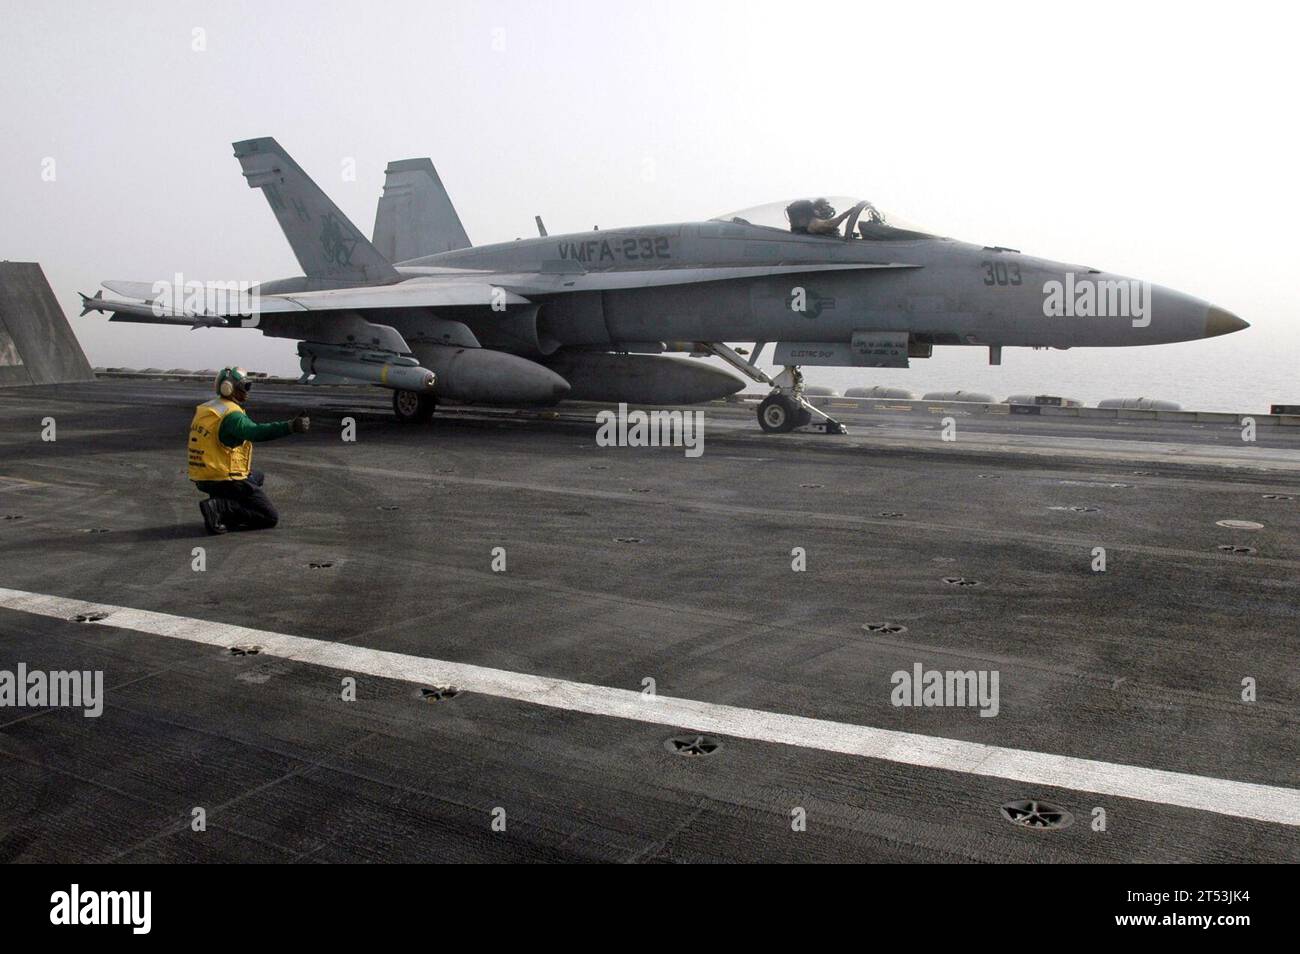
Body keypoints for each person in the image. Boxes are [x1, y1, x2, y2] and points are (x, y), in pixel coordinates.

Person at [188, 367, 309, 534]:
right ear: (229, 388)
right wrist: (290, 426)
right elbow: (255, 432)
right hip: (223, 477)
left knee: (257, 477)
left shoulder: (210, 409)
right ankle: (220, 507)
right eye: (245, 387)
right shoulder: (232, 415)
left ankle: (220, 502)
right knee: (268, 517)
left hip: (204, 476)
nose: (248, 391)